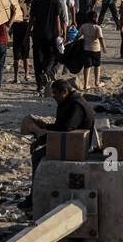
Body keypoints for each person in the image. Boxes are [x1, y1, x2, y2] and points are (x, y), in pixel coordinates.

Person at [22, 79, 95, 210]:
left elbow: (66, 128)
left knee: (38, 158)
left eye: (56, 93)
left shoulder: (76, 105)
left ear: (65, 92)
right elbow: (60, 127)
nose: (54, 96)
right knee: (38, 155)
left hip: (75, 146)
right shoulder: (68, 102)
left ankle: (35, 196)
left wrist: (45, 130)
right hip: (67, 142)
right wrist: (41, 140)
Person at [29, 0, 64, 95]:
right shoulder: (55, 3)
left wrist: (27, 35)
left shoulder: (35, 2)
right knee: (52, 56)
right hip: (51, 35)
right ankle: (47, 71)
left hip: (37, 34)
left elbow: (31, 20)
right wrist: (59, 35)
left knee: (37, 60)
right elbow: (57, 19)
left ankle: (39, 86)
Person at [78, 10, 104, 92]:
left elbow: (78, 36)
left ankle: (86, 84)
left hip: (86, 49)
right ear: (96, 18)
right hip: (96, 49)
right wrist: (104, 47)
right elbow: (100, 38)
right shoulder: (97, 27)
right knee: (97, 65)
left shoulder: (84, 26)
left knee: (87, 66)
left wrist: (73, 43)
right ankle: (97, 82)